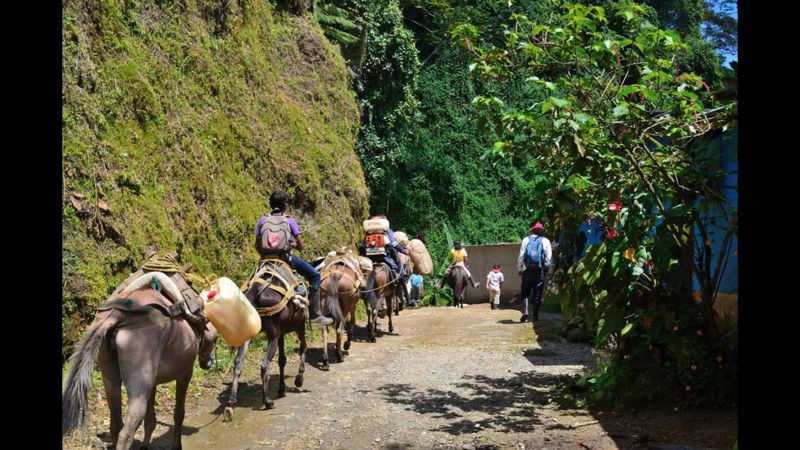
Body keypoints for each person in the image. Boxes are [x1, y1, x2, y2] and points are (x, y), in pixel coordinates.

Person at [255, 191, 332, 325]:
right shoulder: (289, 220)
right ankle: (315, 315)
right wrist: (291, 244)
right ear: (285, 205)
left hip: (266, 259)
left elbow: (256, 244)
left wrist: (265, 253)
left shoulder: (263, 220)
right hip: (285, 259)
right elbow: (301, 246)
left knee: (251, 282)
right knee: (315, 276)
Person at [357, 215, 412, 305]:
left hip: (369, 257)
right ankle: (407, 297)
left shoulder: (368, 232)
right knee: (399, 270)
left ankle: (360, 294)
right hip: (384, 257)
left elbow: (362, 246)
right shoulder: (387, 230)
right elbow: (393, 244)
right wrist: (404, 251)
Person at [517, 222, 552, 322]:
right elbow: (549, 258)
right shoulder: (546, 241)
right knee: (538, 292)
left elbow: (521, 256)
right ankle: (535, 316)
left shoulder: (526, 240)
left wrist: (520, 269)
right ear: (541, 231)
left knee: (525, 291)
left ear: (532, 230)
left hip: (527, 270)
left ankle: (525, 312)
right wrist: (549, 270)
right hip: (539, 270)